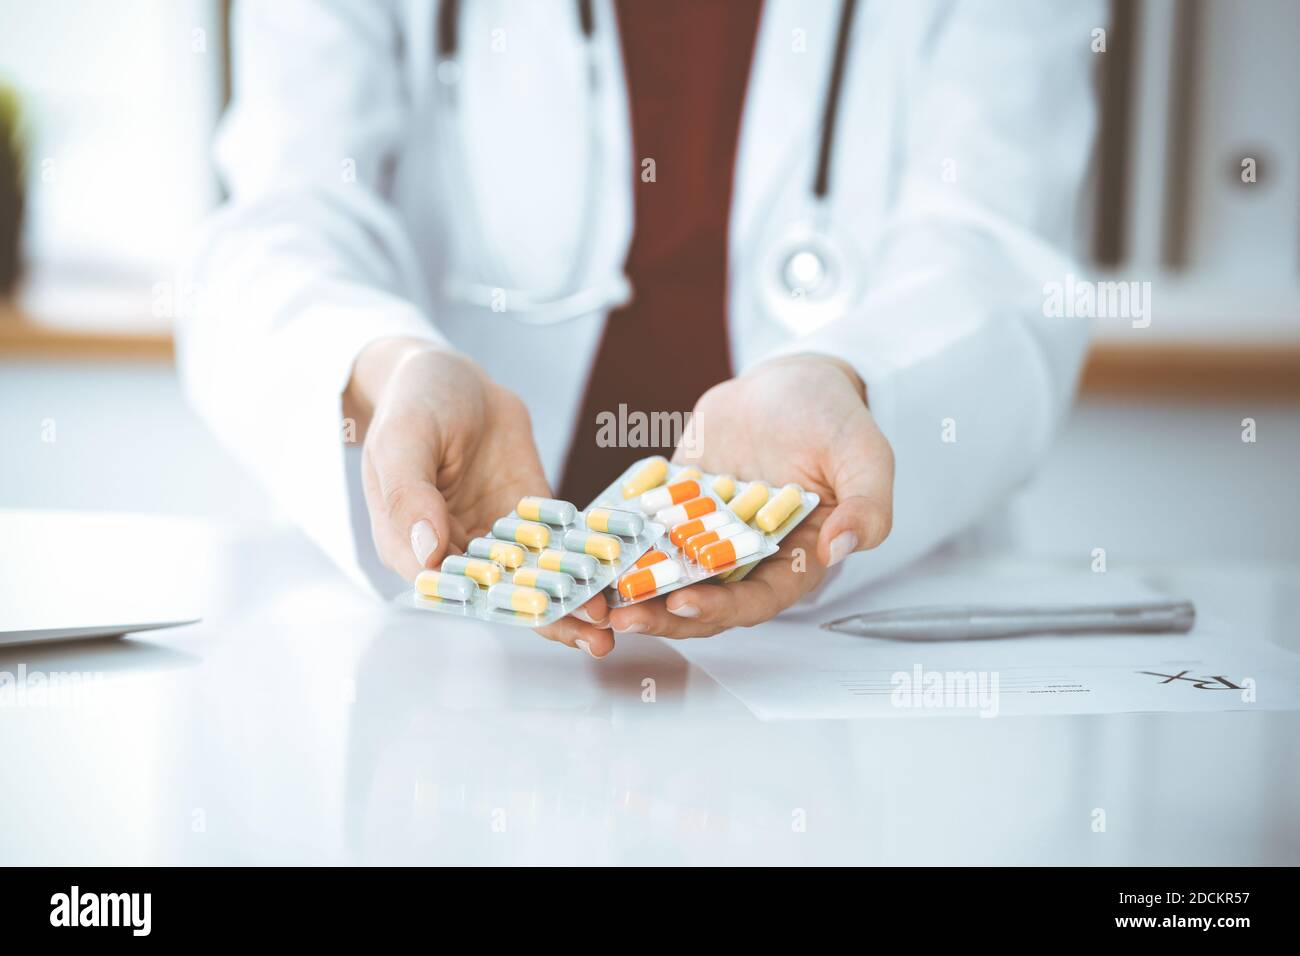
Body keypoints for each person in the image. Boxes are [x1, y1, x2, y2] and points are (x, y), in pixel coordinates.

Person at [179, 0, 1102, 658]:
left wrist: (853, 372)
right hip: (464, 640)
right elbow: (280, 218)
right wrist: (390, 364)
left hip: (835, 635)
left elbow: (997, 245)